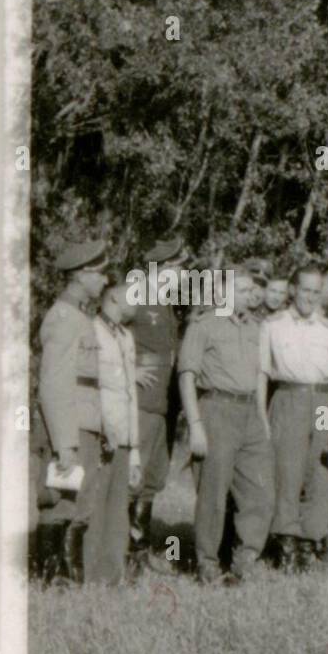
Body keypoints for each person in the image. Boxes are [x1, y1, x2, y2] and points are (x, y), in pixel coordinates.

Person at [178, 267, 273, 583]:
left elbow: (260, 376)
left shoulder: (256, 329)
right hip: (216, 410)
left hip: (249, 413)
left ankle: (245, 561)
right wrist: (195, 424)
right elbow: (187, 376)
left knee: (258, 491)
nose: (251, 295)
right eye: (243, 289)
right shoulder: (204, 325)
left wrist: (261, 418)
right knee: (213, 494)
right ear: (222, 293)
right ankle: (207, 564)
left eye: (251, 290)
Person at [259, 264, 328, 571]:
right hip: (290, 399)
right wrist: (261, 413)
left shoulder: (327, 328)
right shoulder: (273, 324)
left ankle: (308, 541)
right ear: (293, 290)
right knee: (288, 470)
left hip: (322, 403)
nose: (311, 297)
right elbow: (262, 373)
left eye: (316, 291)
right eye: (306, 290)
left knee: (320, 468)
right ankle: (286, 541)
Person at [33, 239, 110, 583]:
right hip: (70, 424)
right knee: (62, 500)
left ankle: (69, 572)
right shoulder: (64, 318)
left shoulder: (80, 317)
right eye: (100, 274)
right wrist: (64, 443)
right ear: (81, 276)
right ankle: (53, 574)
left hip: (84, 422)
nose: (106, 281)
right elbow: (52, 384)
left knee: (80, 500)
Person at [127, 237, 185, 574]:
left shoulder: (165, 305)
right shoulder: (134, 296)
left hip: (163, 403)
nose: (181, 276)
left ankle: (139, 548)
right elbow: (105, 338)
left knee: (152, 480)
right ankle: (122, 550)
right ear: (161, 269)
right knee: (132, 479)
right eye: (177, 269)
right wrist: (129, 369)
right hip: (141, 402)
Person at [87, 280, 144, 584]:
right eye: (132, 298)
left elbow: (130, 394)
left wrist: (134, 449)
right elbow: (91, 388)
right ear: (113, 299)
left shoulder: (126, 337)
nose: (137, 304)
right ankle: (90, 573)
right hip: (101, 433)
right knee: (96, 505)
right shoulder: (91, 331)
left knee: (118, 506)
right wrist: (102, 428)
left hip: (122, 435)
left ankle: (112, 574)